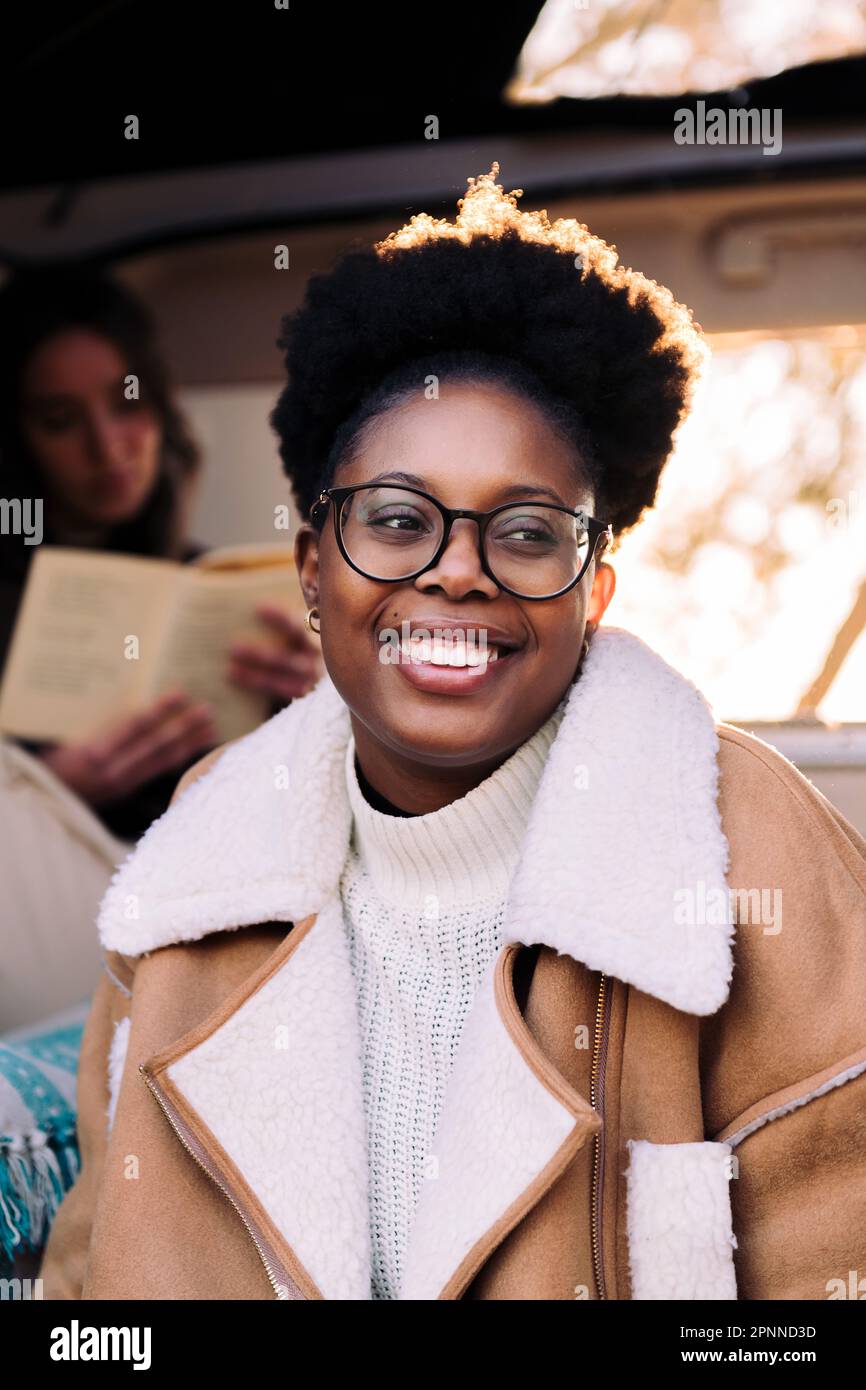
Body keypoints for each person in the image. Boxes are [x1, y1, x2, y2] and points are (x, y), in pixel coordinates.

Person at [39, 166, 866, 1300]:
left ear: (594, 595)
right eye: (394, 520)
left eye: (525, 533)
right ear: (311, 573)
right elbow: (94, 1291)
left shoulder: (755, 847)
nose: (457, 570)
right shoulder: (191, 873)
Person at [0, 266, 322, 1028]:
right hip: (61, 923)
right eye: (59, 419)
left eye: (126, 406)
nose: (108, 447)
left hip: (217, 909)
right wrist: (55, 788)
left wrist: (309, 707)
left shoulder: (207, 579)